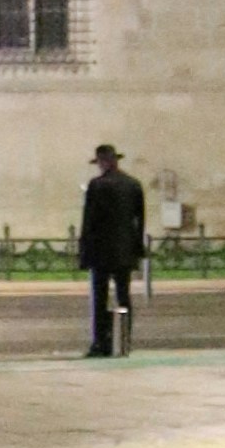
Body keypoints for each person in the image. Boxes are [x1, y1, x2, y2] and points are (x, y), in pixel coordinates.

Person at [76, 141, 149, 359]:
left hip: (100, 252)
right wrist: (137, 249)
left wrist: (84, 251)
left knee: (100, 298)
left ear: (102, 162)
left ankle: (102, 342)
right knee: (123, 296)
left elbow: (89, 222)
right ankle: (124, 341)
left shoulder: (96, 186)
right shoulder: (133, 184)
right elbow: (140, 221)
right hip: (124, 251)